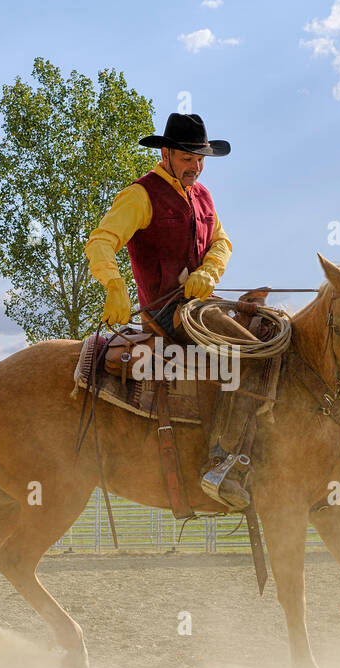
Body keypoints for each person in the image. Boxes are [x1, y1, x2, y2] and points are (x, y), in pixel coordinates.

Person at [84, 112, 258, 510]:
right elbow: (101, 242)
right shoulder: (141, 195)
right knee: (238, 347)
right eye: (186, 158)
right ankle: (220, 458)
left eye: (200, 159)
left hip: (200, 305)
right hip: (165, 312)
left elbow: (222, 241)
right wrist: (114, 285)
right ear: (165, 153)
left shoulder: (204, 196)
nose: (195, 167)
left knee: (264, 326)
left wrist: (210, 270)